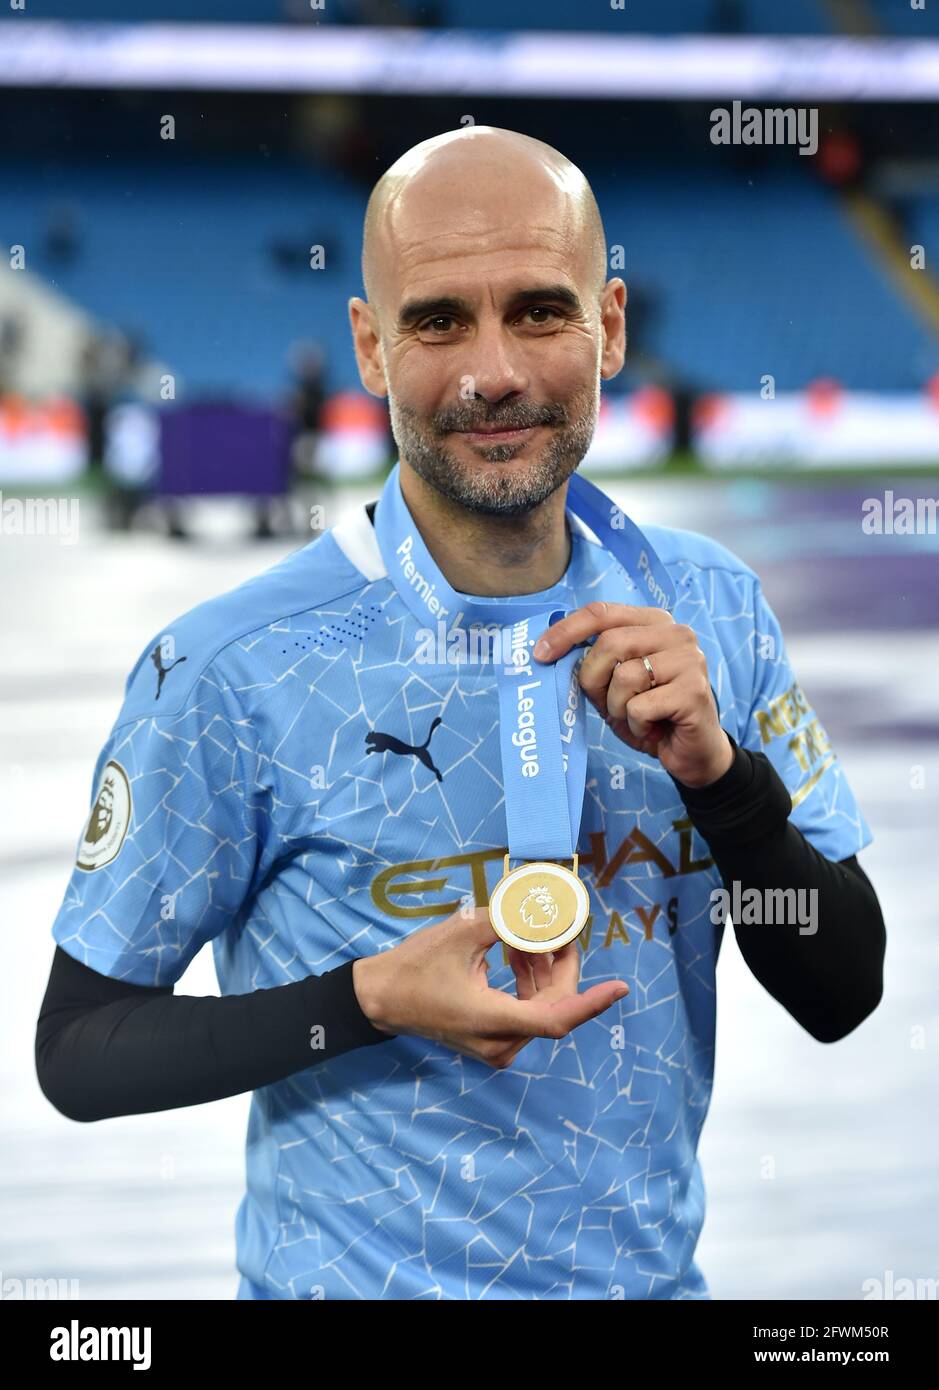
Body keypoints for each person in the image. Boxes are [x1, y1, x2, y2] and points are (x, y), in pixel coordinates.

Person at [36, 127, 885, 1301]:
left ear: (613, 326)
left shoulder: (711, 610)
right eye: (439, 321)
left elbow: (845, 992)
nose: (496, 371)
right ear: (372, 349)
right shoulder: (230, 669)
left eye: (541, 310)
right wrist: (364, 1001)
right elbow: (79, 1051)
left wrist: (726, 784)